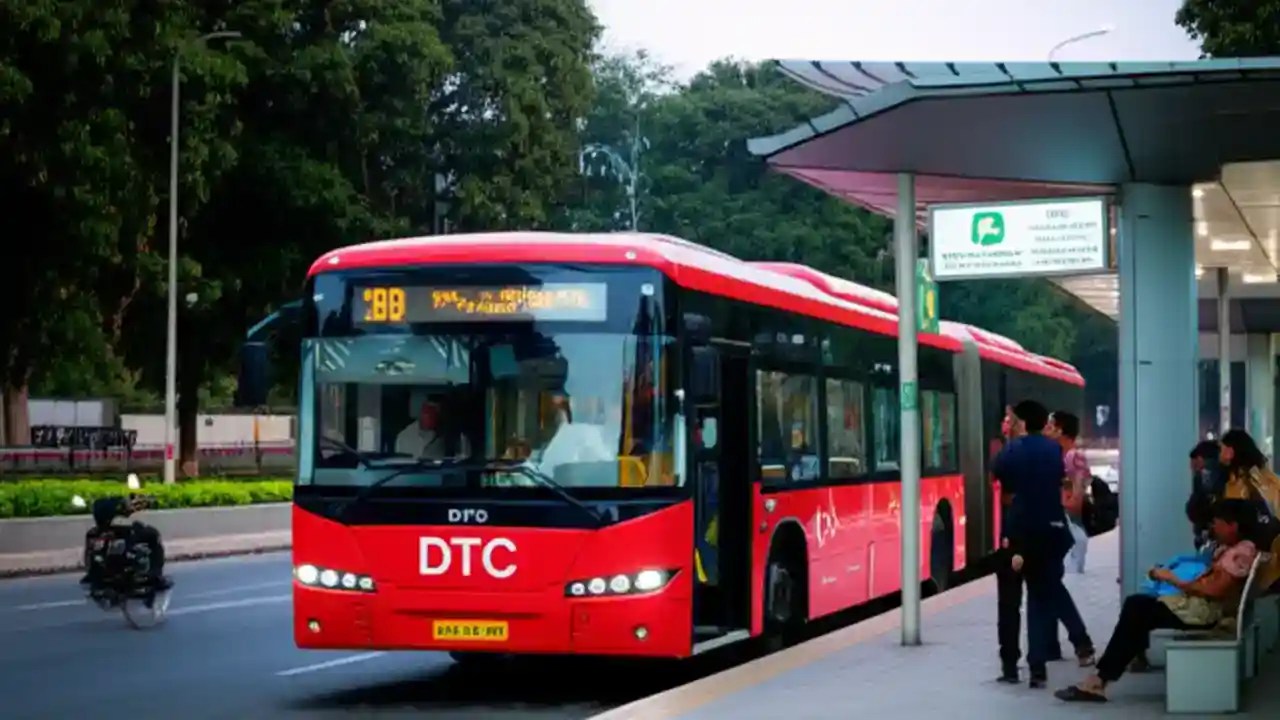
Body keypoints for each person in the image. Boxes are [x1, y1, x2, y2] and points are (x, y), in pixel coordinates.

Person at [1054, 498, 1259, 703]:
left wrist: (1173, 579)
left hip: (1204, 614)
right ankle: (1115, 666)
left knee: (1137, 608)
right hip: (1200, 609)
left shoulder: (1240, 554)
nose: (1213, 526)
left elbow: (1215, 590)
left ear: (1233, 525)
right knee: (1138, 606)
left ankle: (1101, 678)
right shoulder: (1236, 549)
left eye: (1217, 522)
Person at [995, 400, 1094, 688]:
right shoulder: (1054, 450)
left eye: (1012, 419)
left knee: (1011, 602)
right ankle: (1038, 666)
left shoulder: (1012, 450)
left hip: (1020, 534)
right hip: (1051, 532)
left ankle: (1011, 666)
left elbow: (1002, 476)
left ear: (1022, 422)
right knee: (1041, 596)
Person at [1218, 429, 1280, 593]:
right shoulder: (1266, 476)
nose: (1219, 453)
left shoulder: (1239, 484)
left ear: (1230, 452)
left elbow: (1234, 525)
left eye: (1221, 448)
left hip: (1256, 561)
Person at [1048, 410, 1090, 573]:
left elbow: (1078, 487)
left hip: (1068, 514)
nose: (1047, 430)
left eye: (1051, 426)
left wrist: (1069, 502)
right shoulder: (1059, 455)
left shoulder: (1073, 456)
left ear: (1061, 431)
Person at [395, 397, 471, 459]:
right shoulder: (405, 436)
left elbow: (463, 459)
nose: (431, 415)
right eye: (428, 411)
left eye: (437, 412)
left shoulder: (456, 436)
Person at [1186, 440, 1223, 549]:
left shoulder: (1205, 475)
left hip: (1211, 534)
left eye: (1194, 465)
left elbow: (1197, 505)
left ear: (1200, 459)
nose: (1192, 469)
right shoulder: (1223, 473)